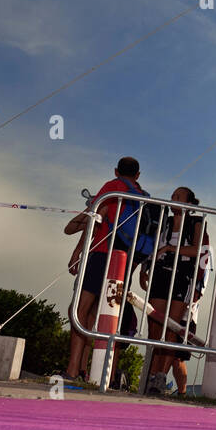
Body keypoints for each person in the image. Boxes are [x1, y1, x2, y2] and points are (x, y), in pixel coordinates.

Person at [63, 156, 149, 382]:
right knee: (99, 314)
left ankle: (72, 370)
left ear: (115, 171)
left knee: (79, 310)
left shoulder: (113, 187)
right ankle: (91, 371)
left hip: (101, 255)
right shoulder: (141, 196)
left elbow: (94, 219)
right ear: (138, 175)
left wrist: (78, 252)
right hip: (123, 263)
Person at [143, 187, 210, 396]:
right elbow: (153, 247)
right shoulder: (164, 222)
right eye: (173, 196)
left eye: (179, 197)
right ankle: (152, 375)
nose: (174, 200)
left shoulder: (196, 223)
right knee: (155, 326)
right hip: (160, 274)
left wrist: (171, 249)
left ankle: (161, 377)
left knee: (171, 328)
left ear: (189, 204)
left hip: (182, 275)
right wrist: (145, 269)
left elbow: (198, 249)